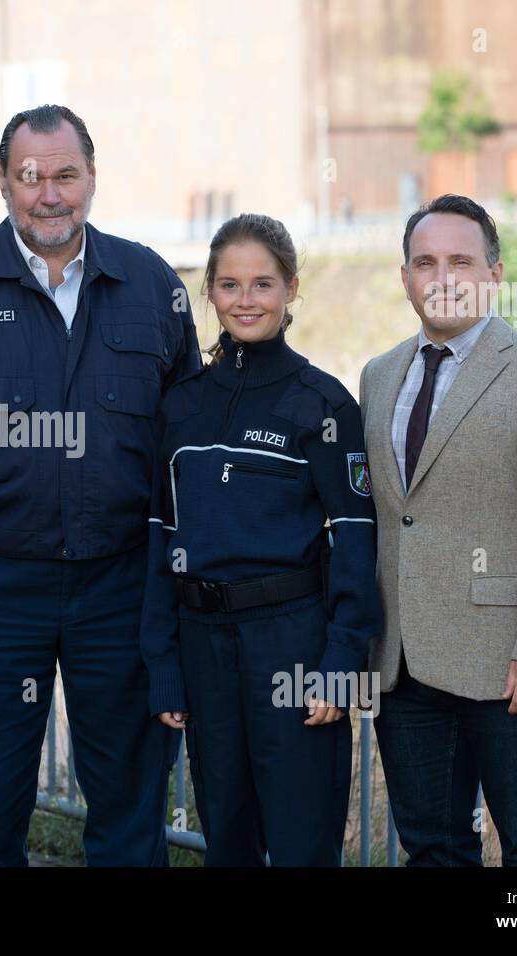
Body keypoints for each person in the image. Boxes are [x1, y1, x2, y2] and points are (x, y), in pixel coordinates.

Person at [0, 104, 201, 866]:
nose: (49, 193)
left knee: (129, 805)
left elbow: (184, 450)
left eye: (66, 174)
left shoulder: (150, 284)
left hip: (121, 587)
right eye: (31, 176)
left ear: (92, 178)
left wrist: (171, 574)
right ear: (4, 181)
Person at [360, 193, 517, 866]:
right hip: (403, 662)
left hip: (510, 665)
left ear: (495, 273)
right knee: (434, 850)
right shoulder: (379, 377)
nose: (442, 277)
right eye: (425, 262)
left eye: (461, 262)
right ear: (405, 276)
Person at [140, 213, 382, 866]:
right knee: (228, 840)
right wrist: (164, 669)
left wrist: (340, 668)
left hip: (293, 643)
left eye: (263, 285)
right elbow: (161, 541)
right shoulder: (180, 404)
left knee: (302, 841)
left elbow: (357, 544)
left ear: (291, 290)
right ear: (210, 293)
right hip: (201, 646)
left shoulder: (324, 406)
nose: (246, 301)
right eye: (229, 285)